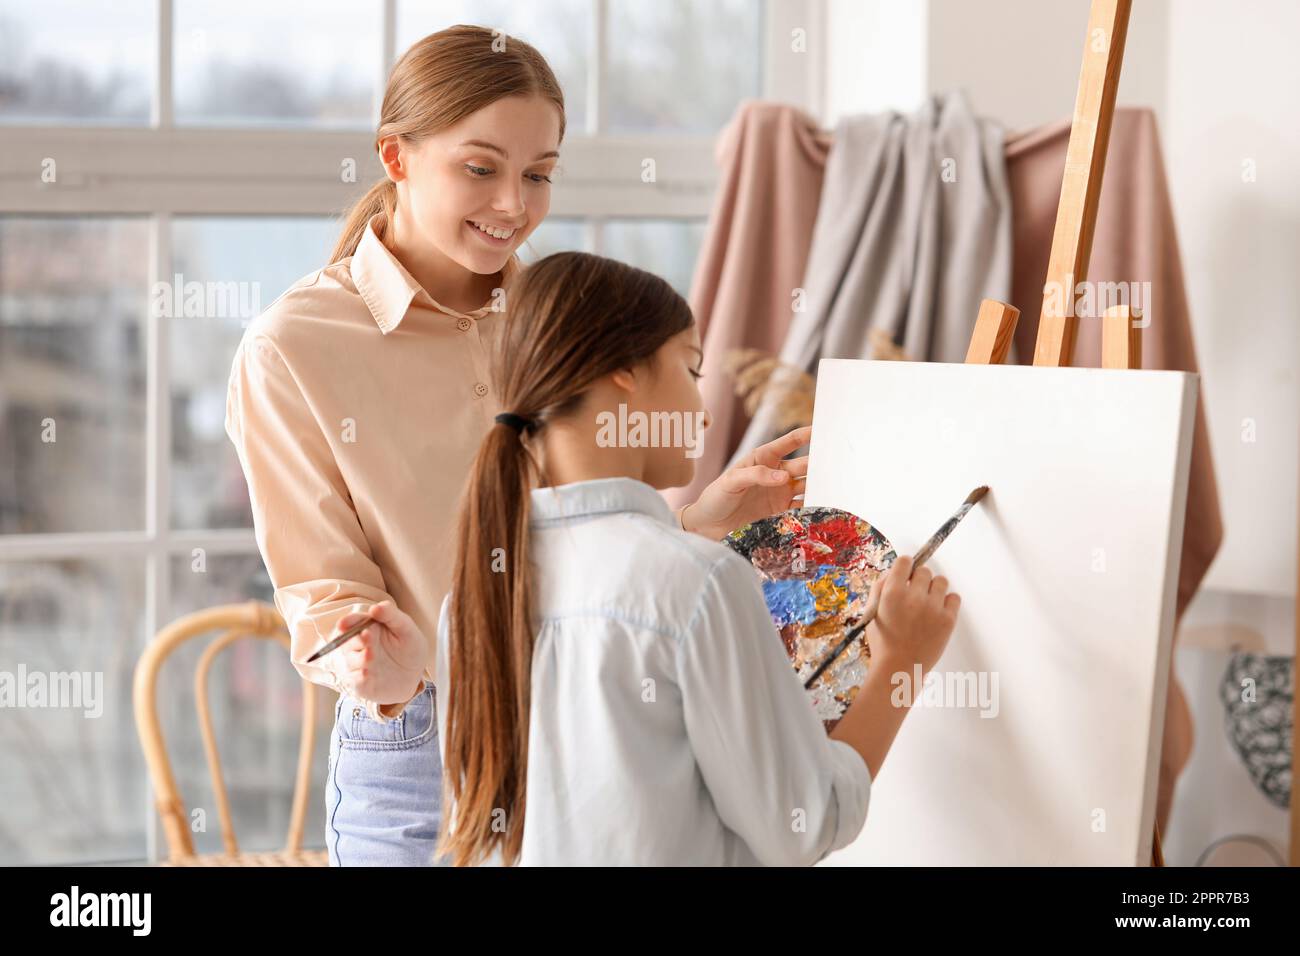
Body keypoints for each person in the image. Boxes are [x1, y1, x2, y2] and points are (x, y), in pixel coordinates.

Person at [225, 25, 820, 866]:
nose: (514, 205)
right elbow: (323, 594)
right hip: (424, 752)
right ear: (396, 157)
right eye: (481, 168)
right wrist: (369, 664)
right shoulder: (293, 347)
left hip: (588, 718)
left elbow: (576, 556)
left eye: (538, 175)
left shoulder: (557, 315)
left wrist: (694, 525)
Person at [361, 252, 963, 865]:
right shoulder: (699, 582)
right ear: (625, 370)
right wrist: (901, 662)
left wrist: (695, 530)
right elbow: (802, 823)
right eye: (691, 369)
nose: (702, 411)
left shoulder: (471, 599)